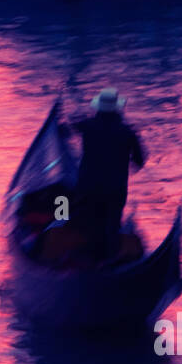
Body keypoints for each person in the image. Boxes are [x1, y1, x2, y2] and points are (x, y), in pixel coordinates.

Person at [62, 88, 146, 261]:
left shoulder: (87, 126)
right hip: (115, 187)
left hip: (88, 186)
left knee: (88, 222)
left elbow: (64, 130)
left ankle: (88, 259)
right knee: (112, 225)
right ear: (118, 109)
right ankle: (108, 261)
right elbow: (139, 161)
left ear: (98, 108)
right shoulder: (128, 132)